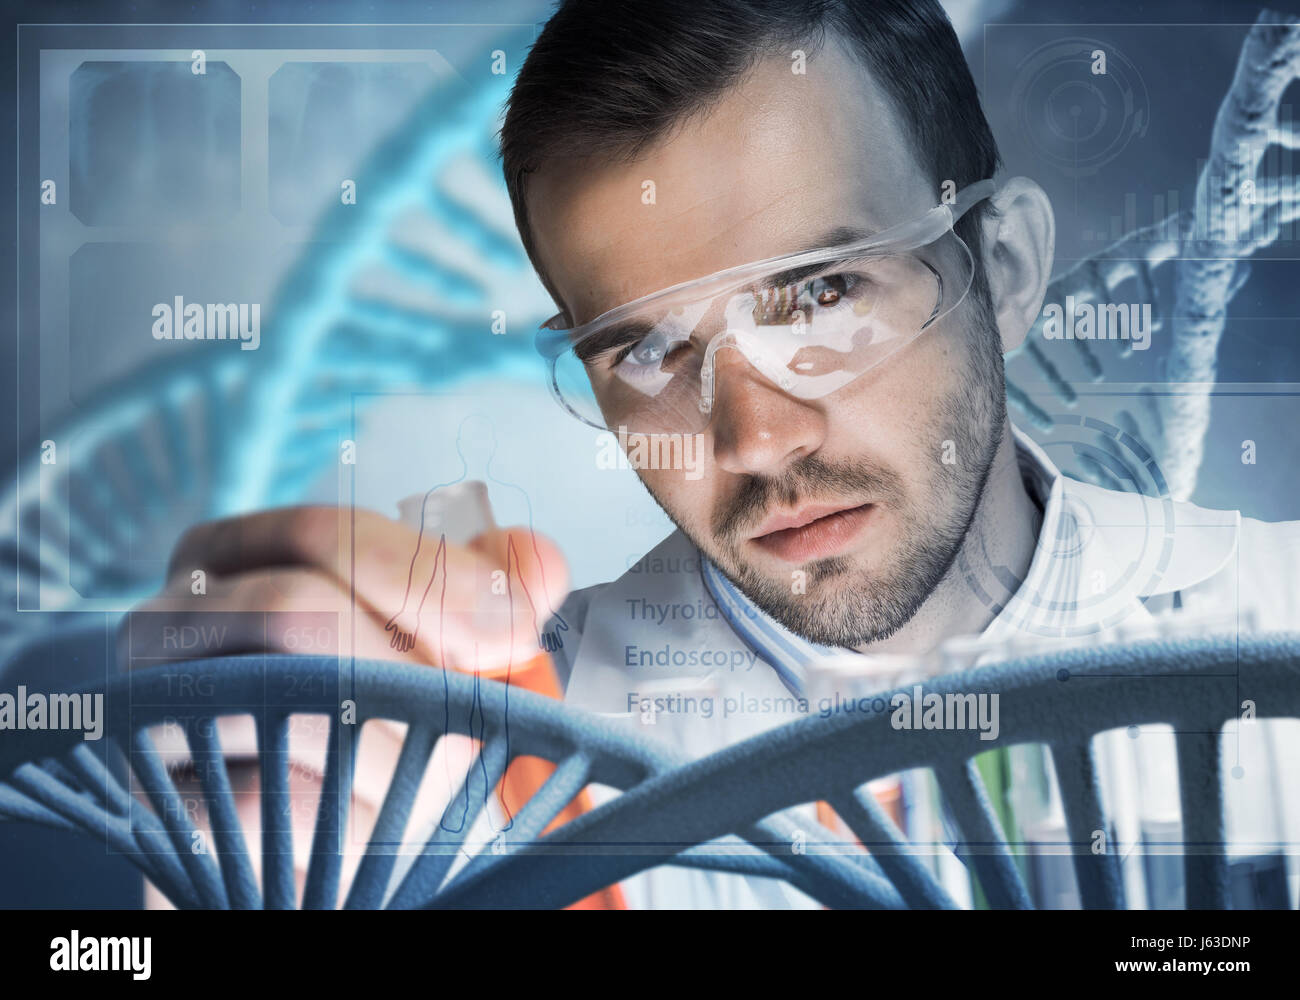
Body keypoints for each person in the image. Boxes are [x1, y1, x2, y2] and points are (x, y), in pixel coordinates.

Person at [130, 0, 1300, 908]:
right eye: (643, 350)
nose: (752, 438)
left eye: (821, 294)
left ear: (1001, 270)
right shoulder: (493, 754)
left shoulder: (1274, 624)